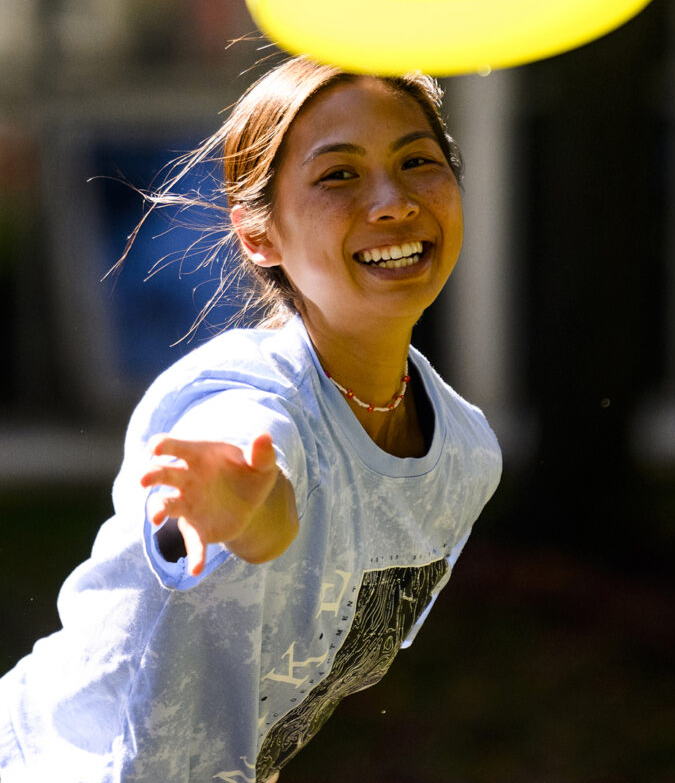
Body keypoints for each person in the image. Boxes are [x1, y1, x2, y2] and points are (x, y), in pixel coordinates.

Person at [0, 56, 502, 782]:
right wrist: (243, 517)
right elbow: (251, 464)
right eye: (339, 175)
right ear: (259, 236)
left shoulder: (466, 456)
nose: (393, 202)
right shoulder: (242, 390)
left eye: (417, 161)